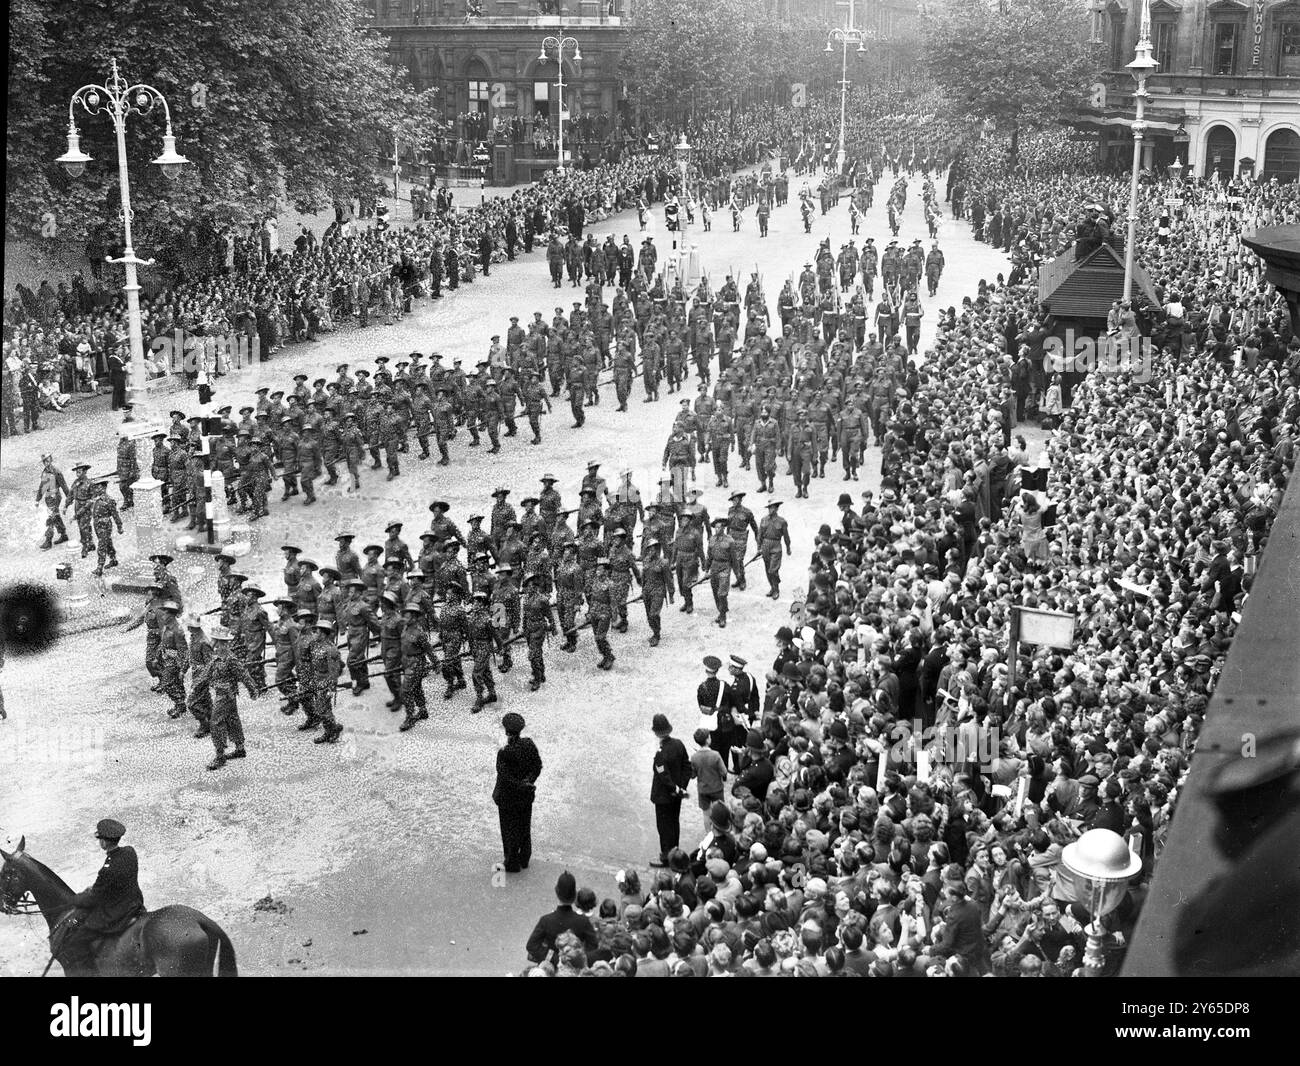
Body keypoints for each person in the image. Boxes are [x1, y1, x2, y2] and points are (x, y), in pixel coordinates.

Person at [60, 819, 146, 974]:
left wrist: (72, 900)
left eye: (100, 839)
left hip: (117, 912)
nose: (100, 842)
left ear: (105, 843)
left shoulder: (107, 869)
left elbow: (94, 898)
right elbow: (114, 883)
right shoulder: (129, 852)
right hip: (135, 904)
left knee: (77, 940)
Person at [494, 712, 543, 873]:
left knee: (509, 830)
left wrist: (519, 785)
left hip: (508, 799)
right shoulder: (528, 744)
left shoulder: (504, 752)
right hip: (525, 797)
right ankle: (524, 857)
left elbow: (504, 776)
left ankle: (512, 861)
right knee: (524, 826)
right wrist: (528, 782)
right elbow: (537, 766)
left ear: (507, 732)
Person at [525, 871, 597, 966]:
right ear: (575, 895)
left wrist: (553, 957)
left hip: (551, 969)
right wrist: (577, 958)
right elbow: (594, 946)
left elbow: (531, 945)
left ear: (557, 892)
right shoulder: (583, 922)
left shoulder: (546, 920)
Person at [649, 713, 690, 868]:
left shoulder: (661, 753)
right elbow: (687, 766)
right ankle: (675, 851)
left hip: (663, 797)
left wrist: (674, 787)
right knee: (674, 823)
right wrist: (681, 787)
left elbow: (663, 777)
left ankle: (666, 856)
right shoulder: (679, 744)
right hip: (676, 795)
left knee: (664, 827)